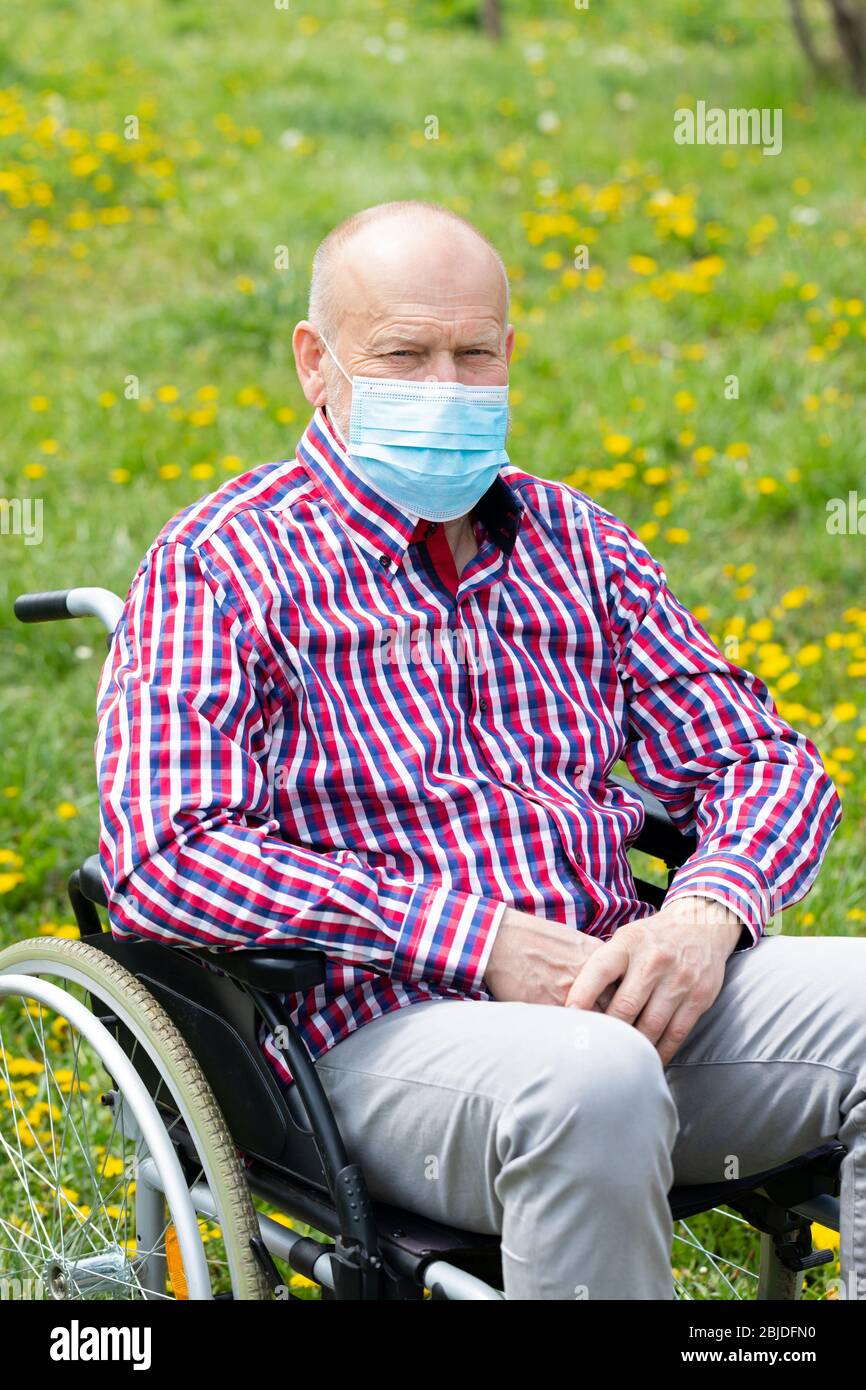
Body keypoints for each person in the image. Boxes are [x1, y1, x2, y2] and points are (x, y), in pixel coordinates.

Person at [96, 199, 865, 1300]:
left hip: (621, 985)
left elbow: (761, 757)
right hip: (375, 1033)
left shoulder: (578, 543)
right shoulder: (221, 563)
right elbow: (167, 857)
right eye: (404, 355)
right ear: (316, 364)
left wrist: (703, 916)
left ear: (511, 356)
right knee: (590, 1081)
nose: (445, 388)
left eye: (472, 355)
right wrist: (478, 937)